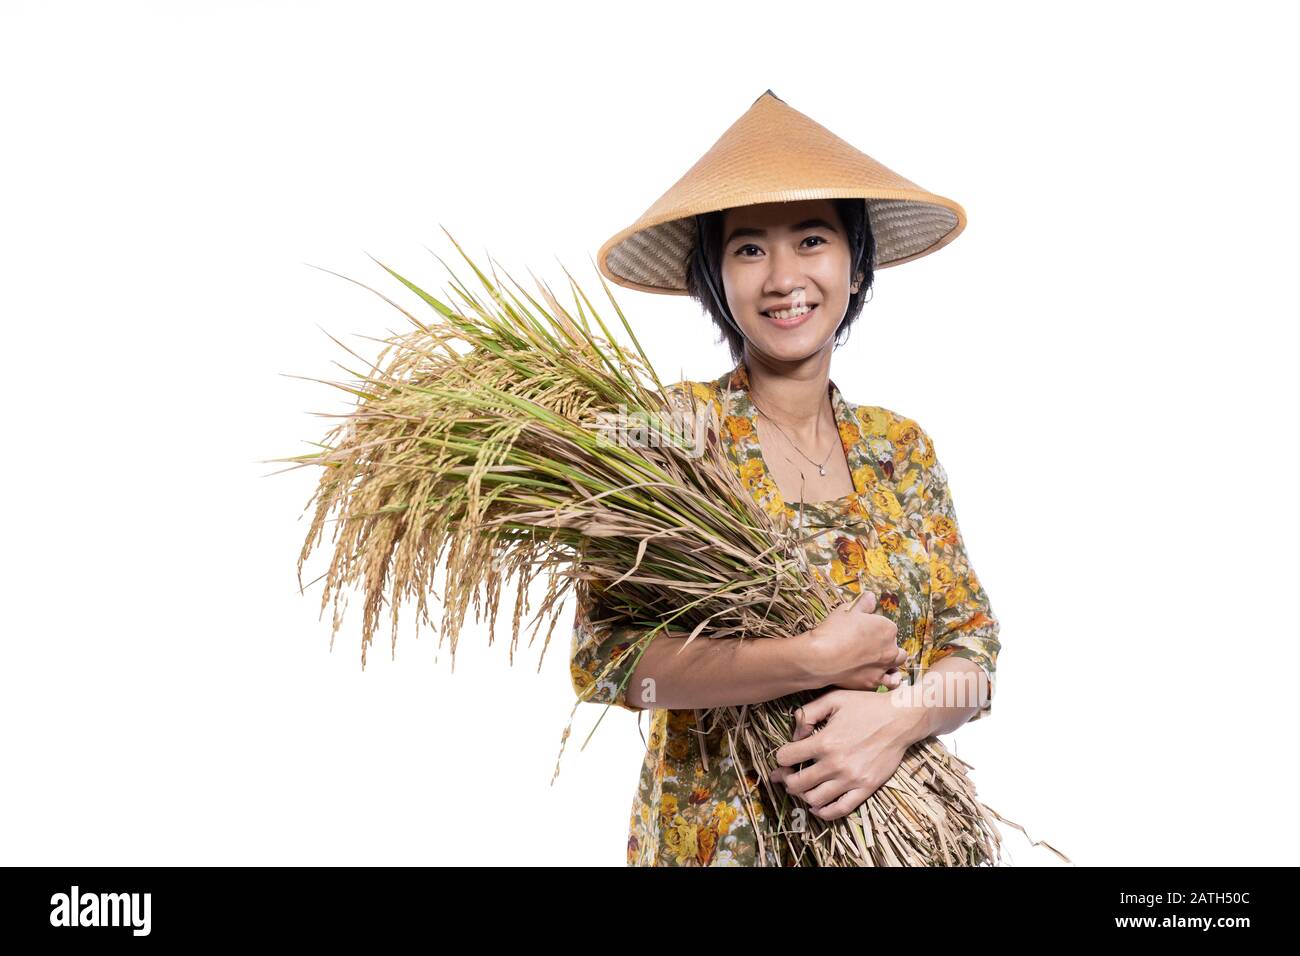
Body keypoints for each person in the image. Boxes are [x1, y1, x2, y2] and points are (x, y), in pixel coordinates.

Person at [570, 91, 1000, 867]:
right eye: (747, 249)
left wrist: (899, 721)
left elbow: (975, 658)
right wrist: (807, 659)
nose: (783, 277)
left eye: (811, 239)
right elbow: (608, 666)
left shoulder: (902, 449)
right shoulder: (668, 434)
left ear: (857, 267)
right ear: (715, 278)